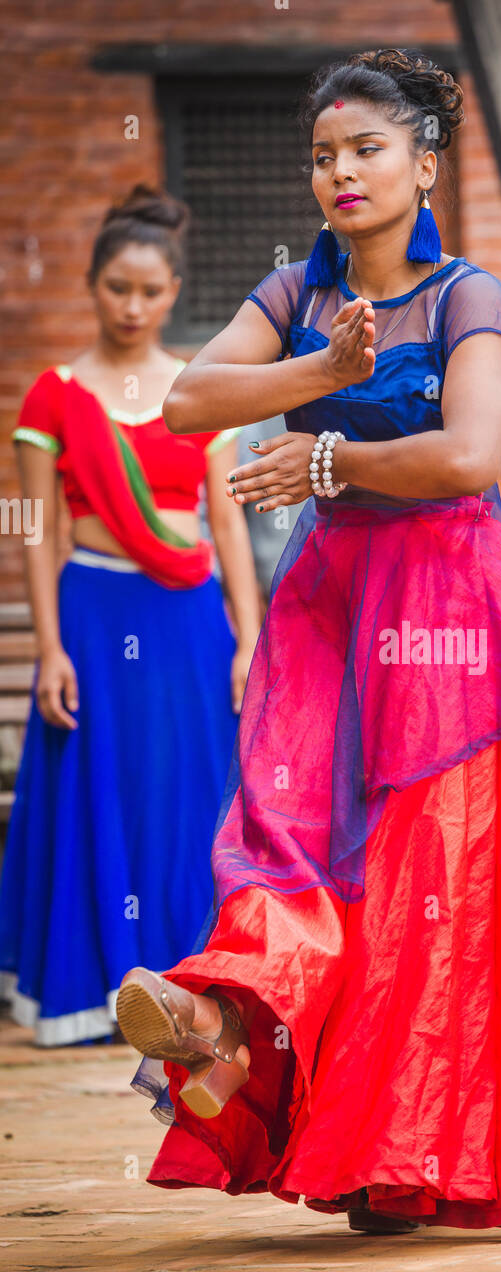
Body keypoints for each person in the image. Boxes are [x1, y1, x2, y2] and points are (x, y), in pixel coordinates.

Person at [115, 48, 501, 1235]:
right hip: (326, 599)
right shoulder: (298, 294)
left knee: (425, 877)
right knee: (286, 826)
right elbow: (184, 403)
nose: (340, 172)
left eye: (366, 148)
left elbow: (470, 455)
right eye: (322, 154)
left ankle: (402, 1145)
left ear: (424, 163)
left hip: (446, 611)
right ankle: (216, 1022)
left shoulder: (470, 294)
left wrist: (325, 455)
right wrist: (324, 370)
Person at [0, 186, 260, 1046]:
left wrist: (248, 639)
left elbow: (227, 527)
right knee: (96, 783)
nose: (133, 306)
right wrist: (50, 647)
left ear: (176, 292)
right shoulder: (55, 395)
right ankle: (93, 991)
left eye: (150, 291)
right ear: (92, 284)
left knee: (189, 790)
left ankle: (191, 989)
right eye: (118, 288)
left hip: (189, 621)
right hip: (92, 613)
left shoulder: (200, 391)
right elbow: (35, 532)